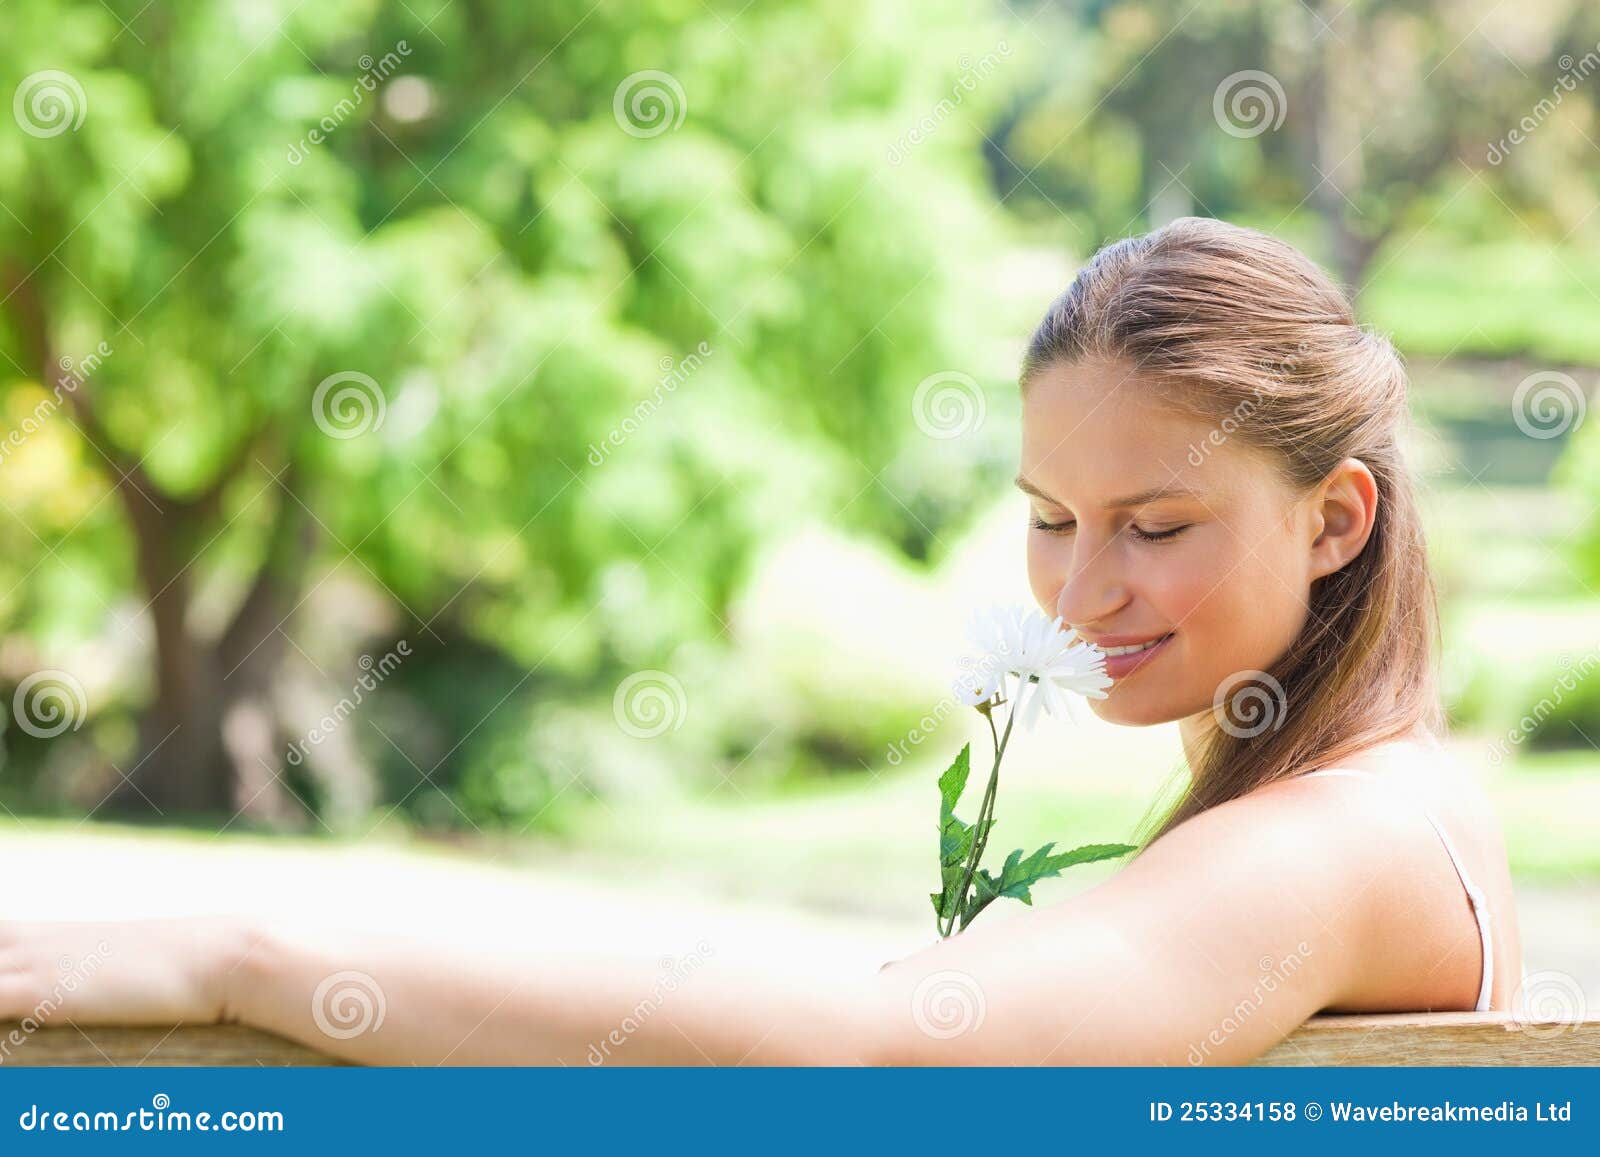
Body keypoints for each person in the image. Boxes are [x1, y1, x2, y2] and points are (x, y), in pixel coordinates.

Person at [0, 217, 1521, 1065]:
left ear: (1335, 521)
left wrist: (249, 951)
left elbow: (891, 1060)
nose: (1080, 589)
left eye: (1157, 525)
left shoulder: (1338, 837)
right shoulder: (1374, 802)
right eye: (1052, 516)